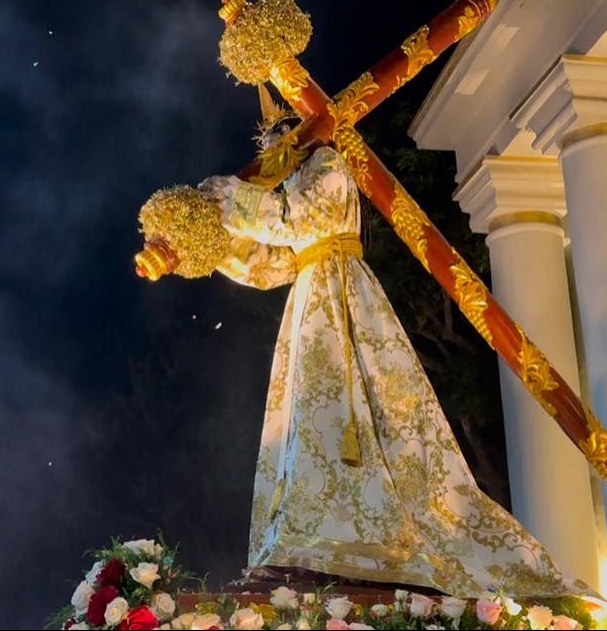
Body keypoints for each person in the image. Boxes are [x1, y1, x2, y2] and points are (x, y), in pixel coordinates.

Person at [196, 88, 585, 600]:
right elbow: (269, 263)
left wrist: (228, 198)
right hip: (311, 302)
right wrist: (212, 243)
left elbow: (294, 220)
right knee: (307, 424)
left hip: (344, 301)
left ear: (298, 137)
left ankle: (367, 537)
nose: (273, 158)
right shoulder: (294, 194)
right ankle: (311, 533)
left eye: (278, 142)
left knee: (346, 409)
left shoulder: (329, 166)